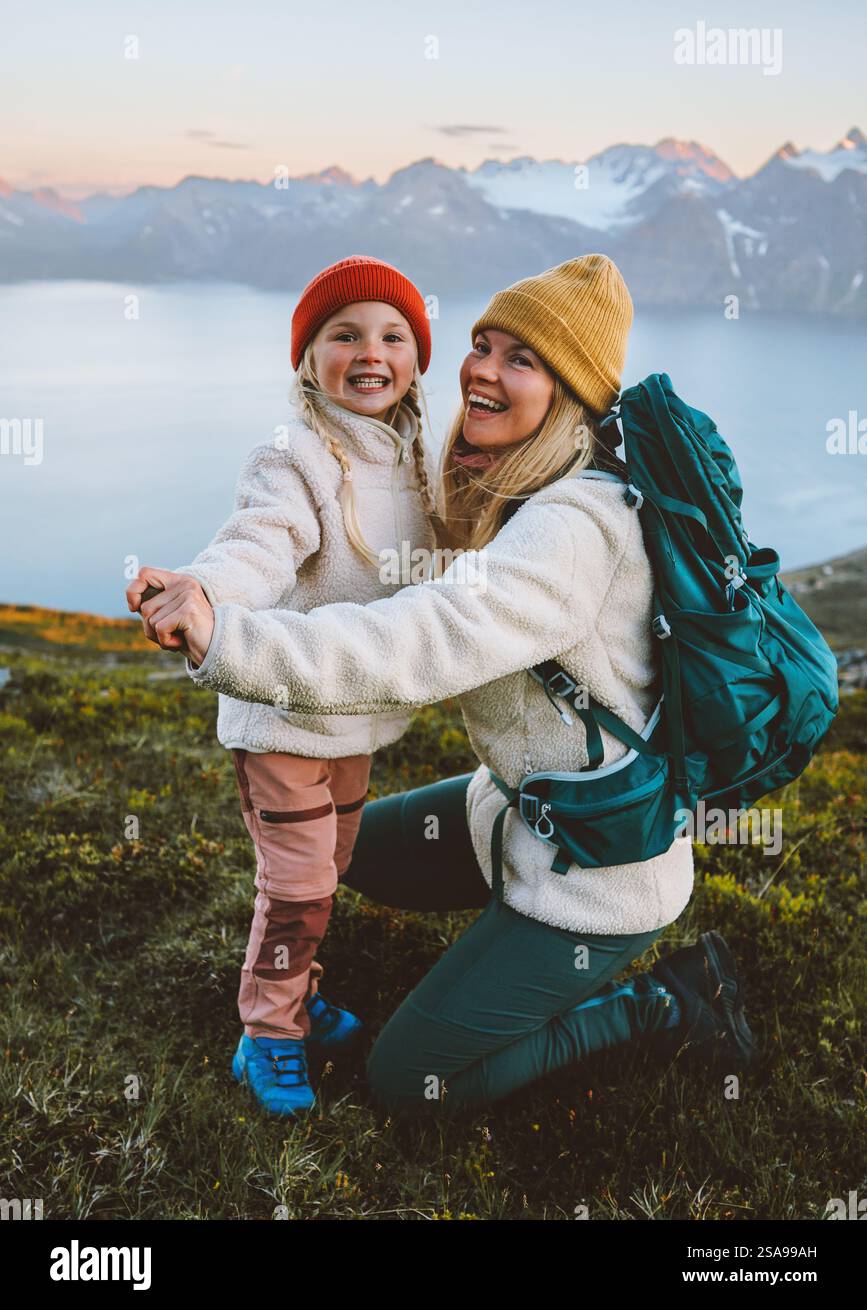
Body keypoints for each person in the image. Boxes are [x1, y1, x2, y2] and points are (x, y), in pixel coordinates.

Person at [137, 254, 757, 1117]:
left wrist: (227, 636)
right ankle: (455, 959)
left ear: (571, 391)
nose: (481, 371)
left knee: (410, 1081)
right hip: (512, 812)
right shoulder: (504, 480)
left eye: (521, 359)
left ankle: (665, 1003)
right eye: (482, 344)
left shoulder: (570, 529)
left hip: (594, 865)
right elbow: (273, 532)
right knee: (342, 854)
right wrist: (209, 581)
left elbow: (416, 639)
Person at [126, 256, 439, 1115]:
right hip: (280, 720)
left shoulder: (419, 458)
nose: (370, 352)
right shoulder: (291, 457)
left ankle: (295, 994)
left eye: (393, 336)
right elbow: (257, 544)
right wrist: (202, 590)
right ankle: (267, 1033)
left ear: (416, 359)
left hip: (353, 719)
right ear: (308, 358)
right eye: (344, 335)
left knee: (325, 875)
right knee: (297, 890)